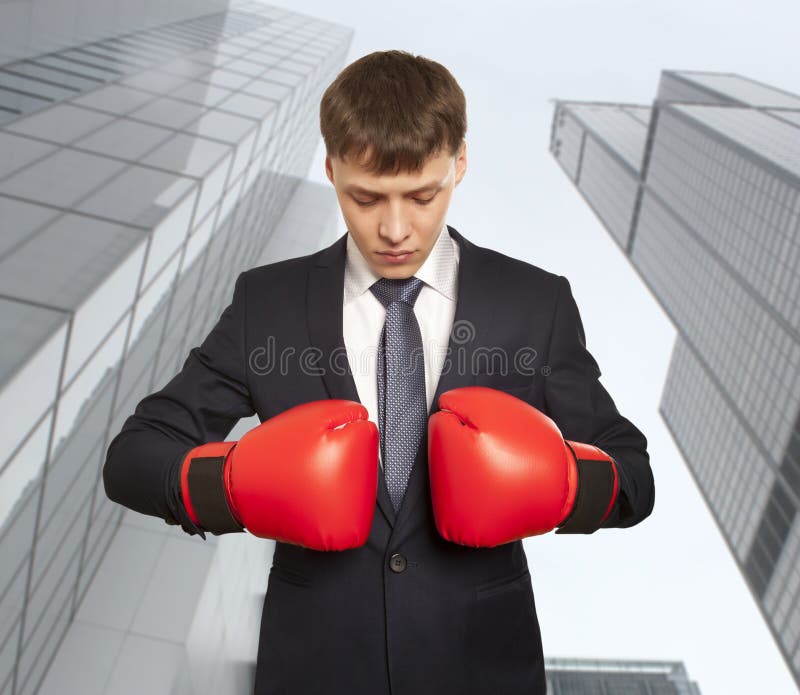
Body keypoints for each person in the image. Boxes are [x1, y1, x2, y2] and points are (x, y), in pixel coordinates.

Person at [103, 49, 655, 695]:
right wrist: (232, 484)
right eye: (366, 198)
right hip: (314, 670)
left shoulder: (534, 303)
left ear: (460, 164)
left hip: (482, 669)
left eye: (423, 195)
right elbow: (133, 456)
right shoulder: (268, 303)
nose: (395, 229)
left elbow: (633, 473)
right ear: (332, 169)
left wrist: (561, 482)